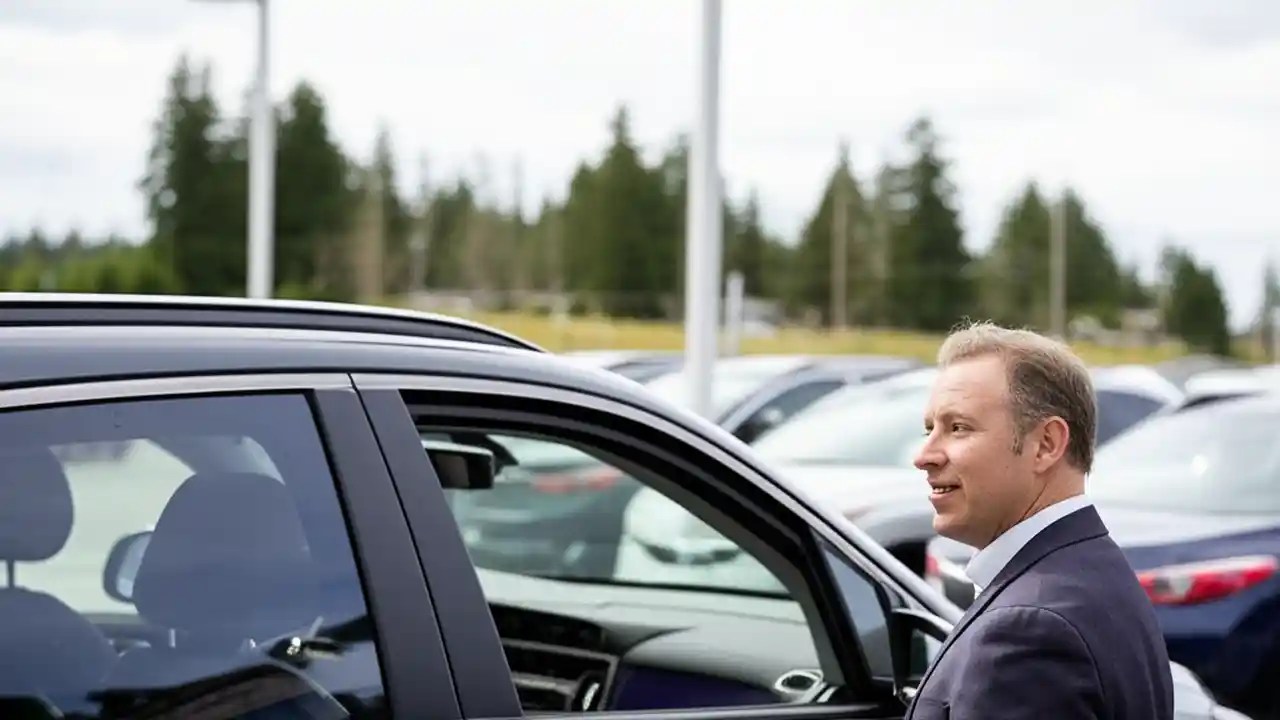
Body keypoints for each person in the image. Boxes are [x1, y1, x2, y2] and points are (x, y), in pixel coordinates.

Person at [906, 321, 1173, 720]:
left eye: (958, 428)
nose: (924, 455)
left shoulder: (1026, 631)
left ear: (1046, 445)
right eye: (930, 429)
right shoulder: (1092, 570)